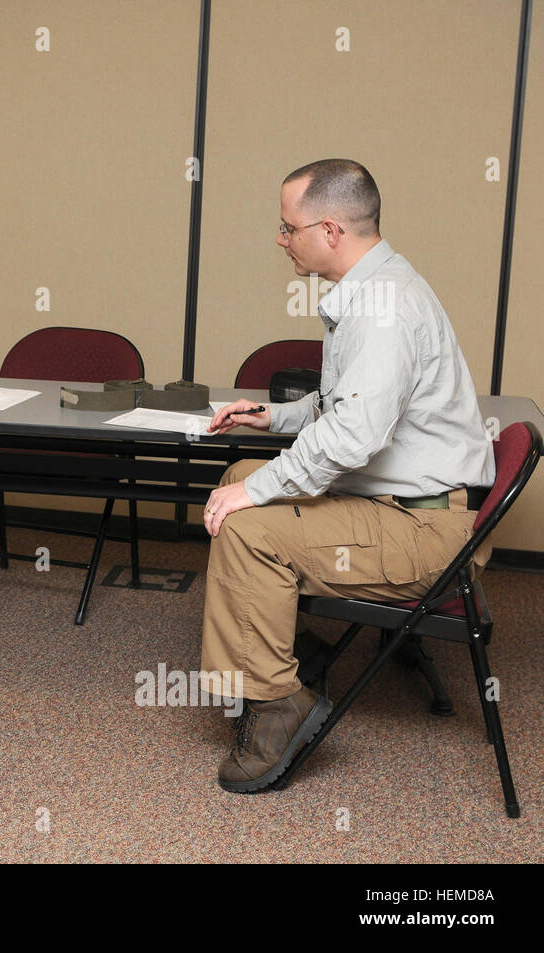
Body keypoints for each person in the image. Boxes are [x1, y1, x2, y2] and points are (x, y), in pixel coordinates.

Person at [200, 159, 495, 793]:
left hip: (426, 532)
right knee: (242, 470)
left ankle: (278, 703)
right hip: (411, 504)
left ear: (329, 230)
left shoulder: (382, 311)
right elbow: (345, 406)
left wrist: (251, 494)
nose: (281, 240)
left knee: (249, 523)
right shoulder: (376, 287)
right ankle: (291, 651)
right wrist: (268, 416)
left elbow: (356, 435)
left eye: (287, 228)